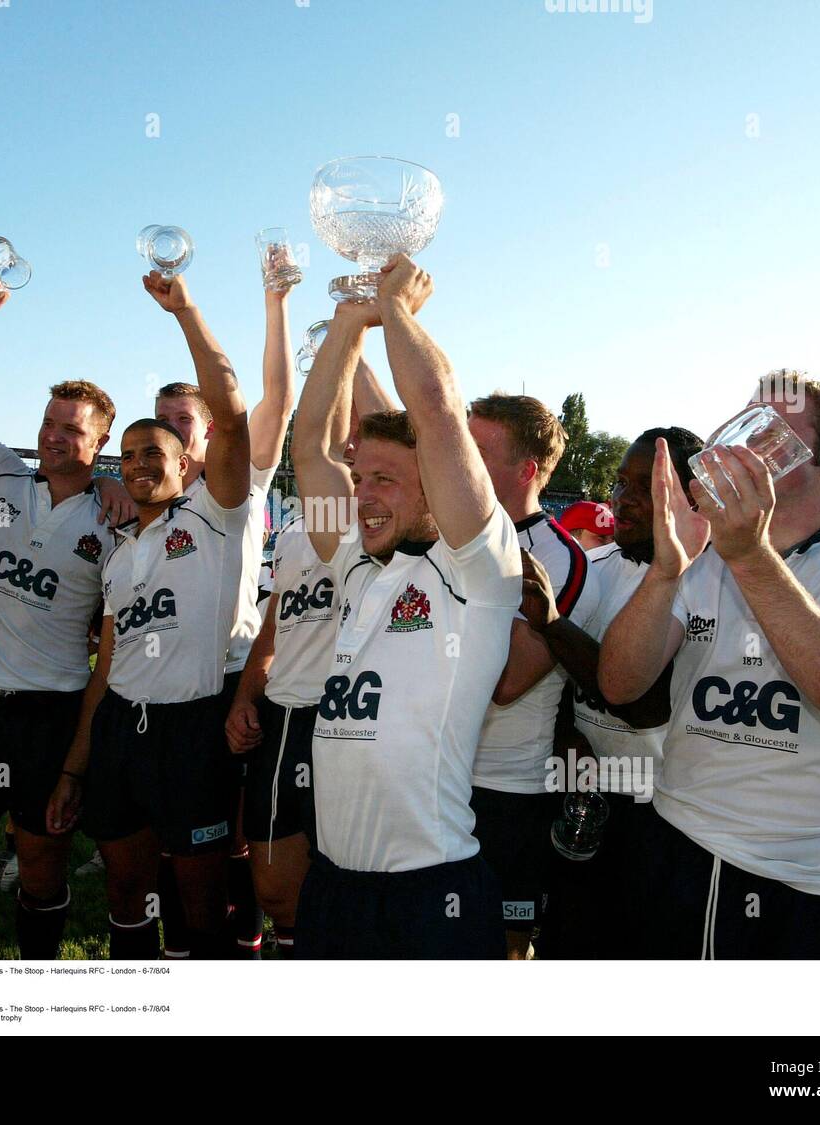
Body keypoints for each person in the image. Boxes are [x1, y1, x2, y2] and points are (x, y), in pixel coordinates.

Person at [599, 374, 820, 958]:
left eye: (772, 430)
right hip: (680, 846)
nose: (745, 445)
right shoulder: (696, 563)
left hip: (809, 878)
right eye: (745, 420)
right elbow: (620, 684)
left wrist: (750, 556)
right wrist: (664, 570)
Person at [291, 255, 524, 959]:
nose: (363, 494)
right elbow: (309, 448)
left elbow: (439, 413)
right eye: (360, 478)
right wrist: (344, 326)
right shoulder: (358, 567)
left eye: (385, 479)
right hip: (333, 886)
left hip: (433, 895)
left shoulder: (477, 572)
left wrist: (396, 312)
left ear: (436, 486)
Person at [0, 276, 130, 959]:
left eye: (73, 430)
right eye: (50, 424)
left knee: (40, 874)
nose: (56, 437)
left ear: (101, 442)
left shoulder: (116, 516)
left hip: (52, 714)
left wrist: (117, 487)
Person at [49, 269, 251, 960]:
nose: (138, 464)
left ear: (188, 460)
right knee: (125, 891)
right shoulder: (116, 551)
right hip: (118, 733)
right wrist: (76, 768)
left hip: (192, 731)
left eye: (154, 452)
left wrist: (186, 312)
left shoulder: (217, 514)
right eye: (127, 454)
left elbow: (234, 411)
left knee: (201, 904)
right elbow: (105, 667)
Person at [225, 356, 395, 956]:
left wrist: (361, 344)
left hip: (347, 717)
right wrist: (248, 694)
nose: (348, 442)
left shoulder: (385, 522)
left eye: (360, 434)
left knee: (344, 873)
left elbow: (398, 426)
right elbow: (276, 622)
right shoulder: (300, 525)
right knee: (274, 887)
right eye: (341, 433)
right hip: (284, 713)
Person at [150, 274, 297, 958]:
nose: (169, 435)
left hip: (235, 680)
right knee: (173, 844)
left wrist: (275, 304)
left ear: (206, 431)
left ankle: (245, 950)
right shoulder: (141, 498)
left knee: (236, 842)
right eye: (160, 423)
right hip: (161, 692)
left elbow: (275, 399)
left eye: (182, 422)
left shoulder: (238, 482)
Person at [517, 427, 702, 958]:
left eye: (648, 486)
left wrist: (554, 625)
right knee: (569, 947)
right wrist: (565, 733)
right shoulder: (592, 565)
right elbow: (550, 683)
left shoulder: (708, 580)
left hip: (662, 812)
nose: (624, 498)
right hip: (583, 794)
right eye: (621, 482)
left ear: (690, 499)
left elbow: (638, 701)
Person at [467, 394, 600, 959]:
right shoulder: (451, 536)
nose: (460, 460)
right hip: (435, 775)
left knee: (502, 948)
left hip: (507, 790)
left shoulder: (558, 555)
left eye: (477, 450)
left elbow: (506, 682)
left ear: (525, 471)